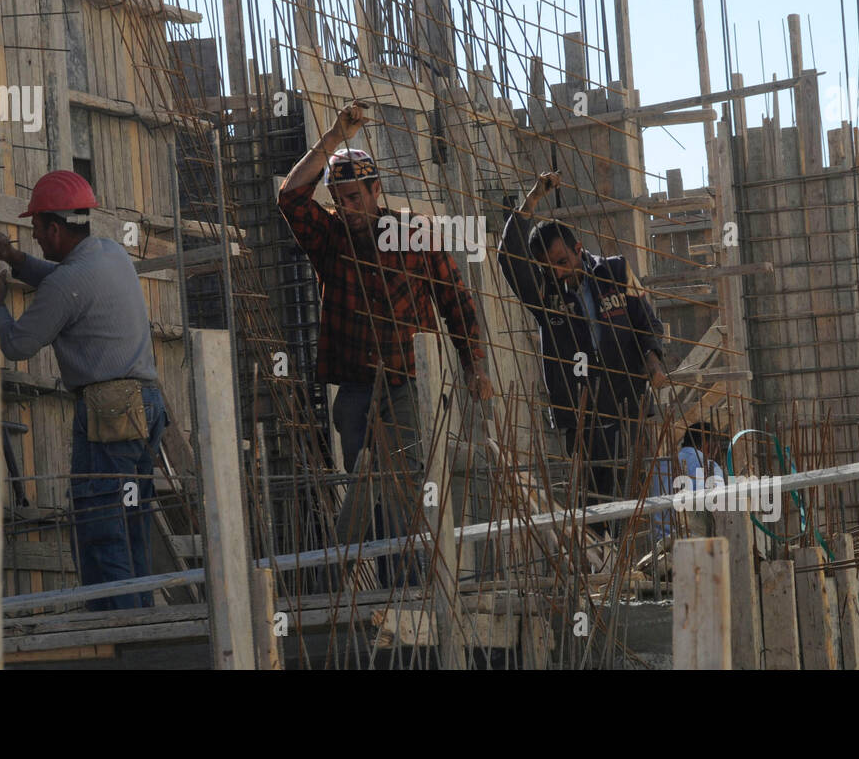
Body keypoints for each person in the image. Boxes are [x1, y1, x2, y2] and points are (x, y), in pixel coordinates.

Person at [278, 101, 491, 584]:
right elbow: (290, 198)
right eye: (339, 197)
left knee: (401, 486)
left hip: (405, 385)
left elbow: (456, 302)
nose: (346, 206)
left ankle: (409, 588)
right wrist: (333, 136)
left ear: (377, 191)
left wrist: (474, 363)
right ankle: (360, 586)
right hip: (354, 389)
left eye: (355, 196)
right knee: (362, 488)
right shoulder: (331, 238)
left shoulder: (413, 233)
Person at [0, 170, 167, 610]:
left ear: (55, 228)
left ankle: (117, 638)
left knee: (101, 525)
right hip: (145, 406)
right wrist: (15, 259)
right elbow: (61, 278)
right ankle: (142, 626)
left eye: (37, 231)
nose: (36, 239)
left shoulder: (67, 282)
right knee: (130, 521)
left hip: (110, 413)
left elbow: (18, 344)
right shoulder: (109, 255)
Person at [497, 171, 670, 507]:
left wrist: (653, 361)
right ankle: (604, 560)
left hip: (629, 405)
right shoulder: (546, 296)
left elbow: (646, 322)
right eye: (550, 268)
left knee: (636, 498)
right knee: (598, 504)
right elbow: (509, 256)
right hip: (584, 418)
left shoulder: (617, 273)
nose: (559, 273)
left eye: (563, 262)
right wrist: (532, 200)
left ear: (578, 249)